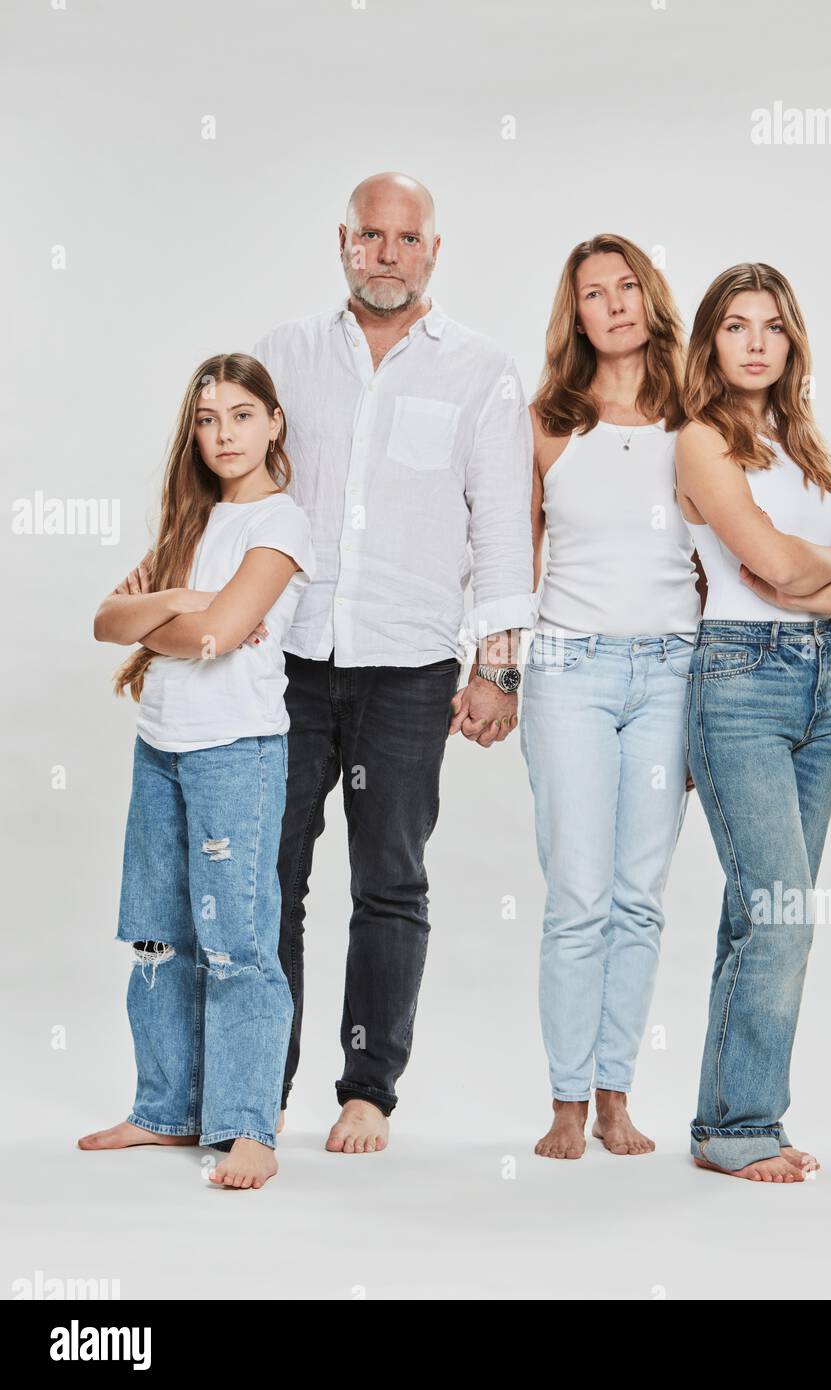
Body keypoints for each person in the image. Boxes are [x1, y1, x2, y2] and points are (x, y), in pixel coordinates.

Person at [250, 171, 536, 1155]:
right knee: (268, 873)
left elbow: (503, 526)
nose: (386, 253)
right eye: (370, 235)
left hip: (410, 667)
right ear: (342, 241)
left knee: (389, 877)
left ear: (433, 251)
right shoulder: (284, 355)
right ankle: (260, 1084)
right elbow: (240, 490)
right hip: (287, 656)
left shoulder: (482, 372)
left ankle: (367, 1087)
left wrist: (499, 669)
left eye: (405, 238)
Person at [78, 354, 316, 1191]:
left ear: (274, 423)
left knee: (238, 941)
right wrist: (184, 605)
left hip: (234, 751)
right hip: (161, 746)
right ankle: (166, 1109)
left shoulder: (280, 524)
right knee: (156, 936)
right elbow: (109, 621)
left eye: (243, 415)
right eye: (209, 419)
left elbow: (222, 632)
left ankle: (248, 1124)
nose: (225, 433)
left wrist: (188, 612)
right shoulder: (190, 525)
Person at [675, 262, 831, 1183]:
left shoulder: (805, 447)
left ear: (791, 342)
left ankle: (728, 1118)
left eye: (772, 326)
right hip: (738, 677)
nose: (755, 341)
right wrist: (811, 566)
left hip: (823, 684)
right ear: (712, 343)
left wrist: (804, 570)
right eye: (735, 325)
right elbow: (765, 565)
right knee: (785, 911)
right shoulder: (699, 442)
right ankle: (738, 1127)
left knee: (760, 910)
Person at [521, 234, 705, 1160]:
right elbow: (517, 559)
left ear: (651, 298)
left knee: (640, 897)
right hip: (569, 672)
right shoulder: (549, 420)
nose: (615, 304)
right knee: (577, 895)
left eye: (628, 287)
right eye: (594, 294)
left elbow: (723, 550)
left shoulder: (697, 417)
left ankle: (614, 1095)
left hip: (672, 670)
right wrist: (498, 671)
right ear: (577, 315)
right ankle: (563, 1099)